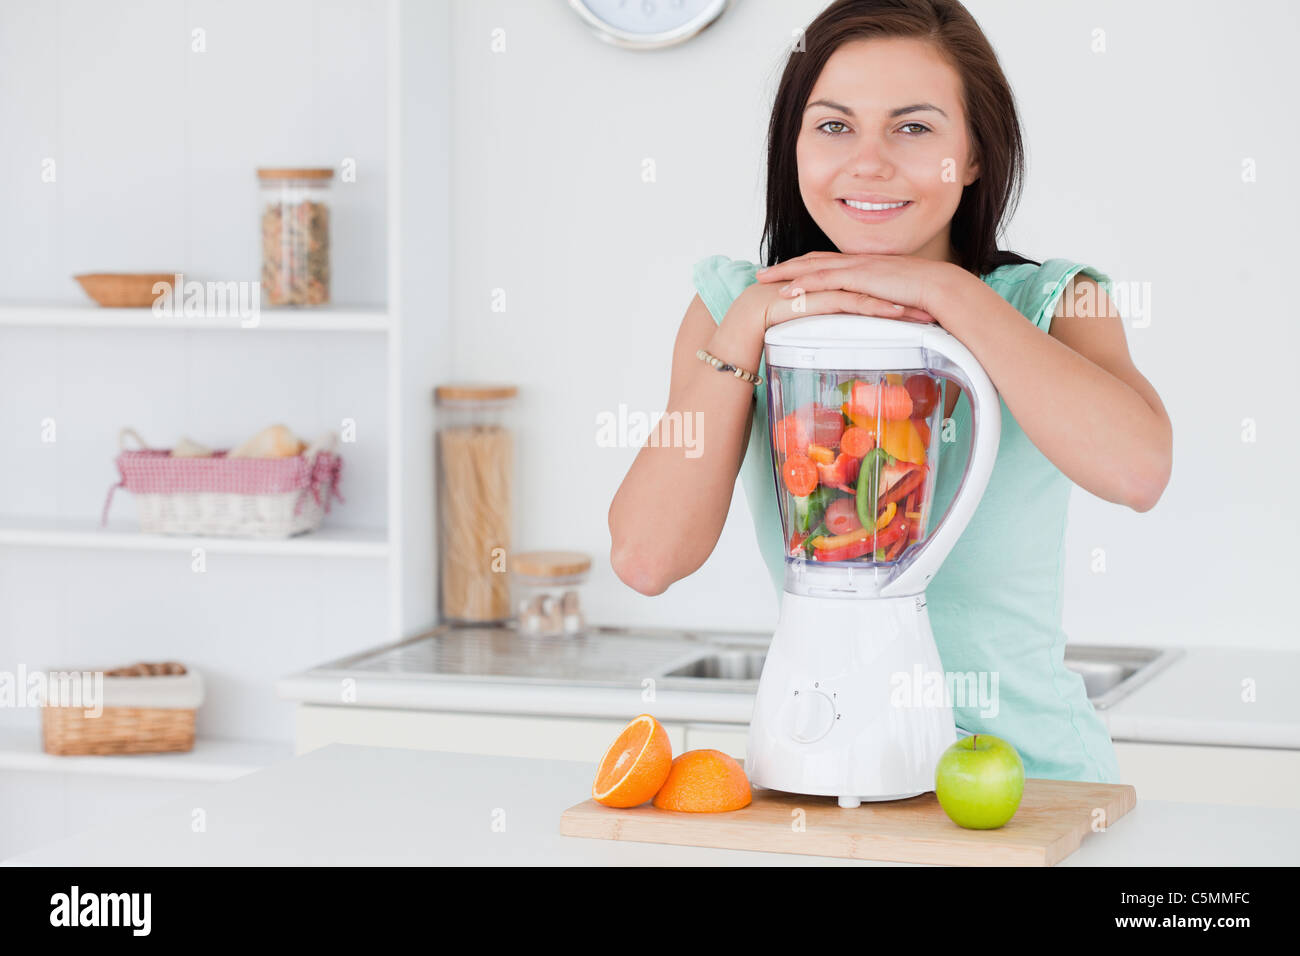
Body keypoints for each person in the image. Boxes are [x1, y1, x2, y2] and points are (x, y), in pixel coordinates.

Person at [607, 0, 1172, 783]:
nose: (868, 163)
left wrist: (950, 293)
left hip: (1031, 786)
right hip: (831, 774)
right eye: (834, 126)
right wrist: (746, 328)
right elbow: (645, 559)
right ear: (793, 148)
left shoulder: (1054, 303)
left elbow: (1139, 473)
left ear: (974, 154)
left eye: (913, 128)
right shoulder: (729, 308)